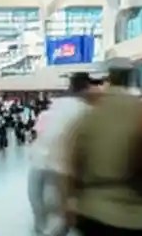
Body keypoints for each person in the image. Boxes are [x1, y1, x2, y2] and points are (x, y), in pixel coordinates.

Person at [63, 58, 142, 235]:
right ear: (132, 78)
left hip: (100, 213)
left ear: (108, 78)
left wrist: (69, 203)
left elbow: (72, 167)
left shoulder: (88, 117)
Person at [29, 72, 95, 236]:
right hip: (61, 168)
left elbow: (39, 133)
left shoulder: (55, 105)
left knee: (41, 213)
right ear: (86, 88)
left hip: (38, 163)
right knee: (62, 214)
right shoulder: (85, 110)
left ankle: (42, 228)